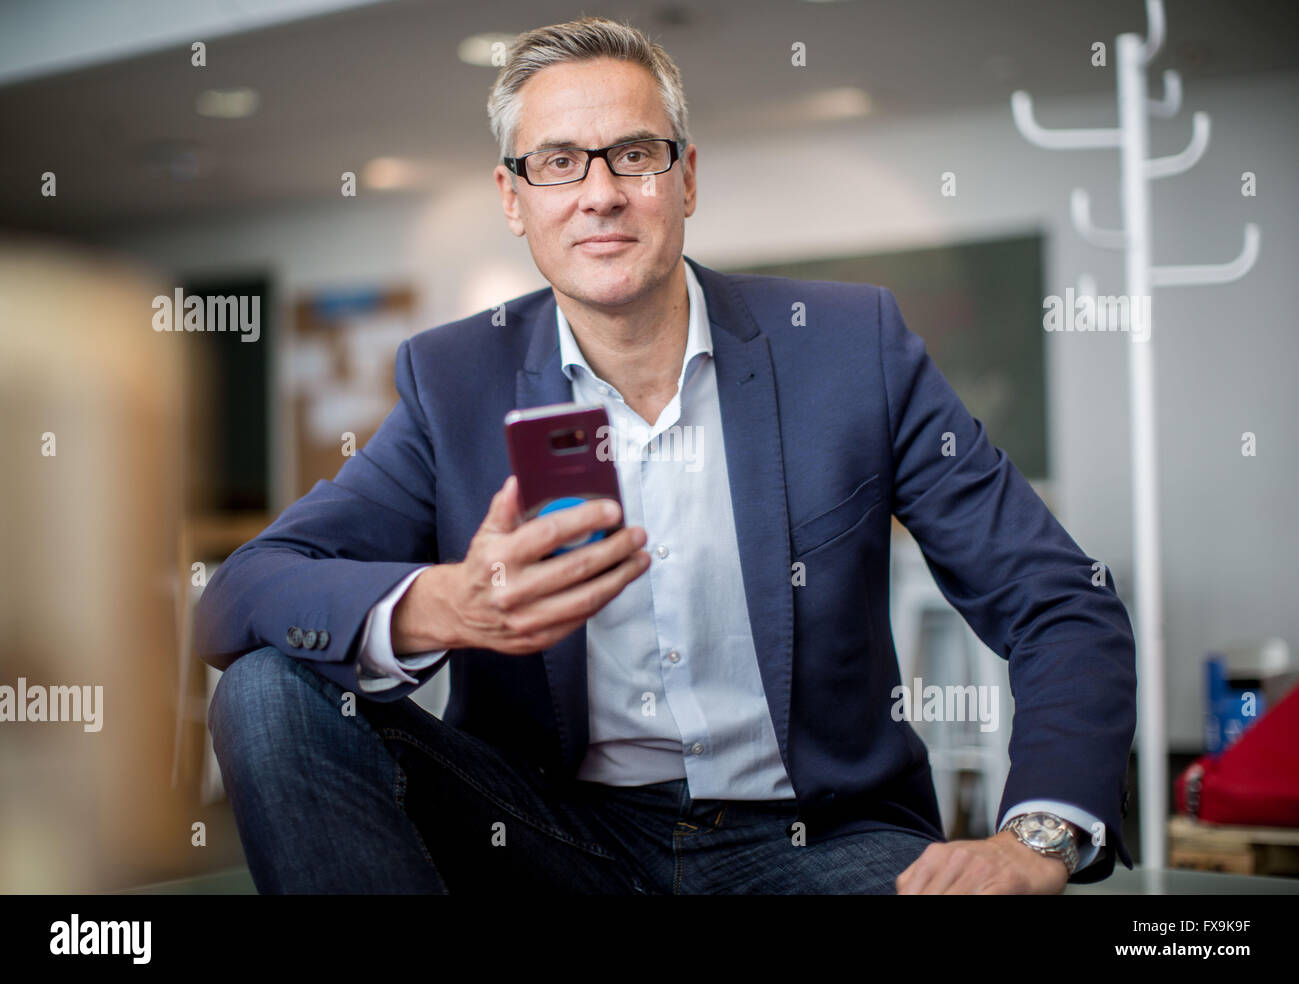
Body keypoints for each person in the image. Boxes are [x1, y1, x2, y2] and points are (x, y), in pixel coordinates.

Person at [197, 15, 1136, 895]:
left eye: (634, 155)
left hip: (814, 845)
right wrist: (444, 605)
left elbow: (1061, 599)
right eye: (559, 162)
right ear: (513, 199)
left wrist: (1037, 838)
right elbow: (243, 593)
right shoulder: (456, 383)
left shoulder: (850, 349)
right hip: (547, 837)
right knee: (268, 687)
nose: (600, 192)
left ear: (685, 178)